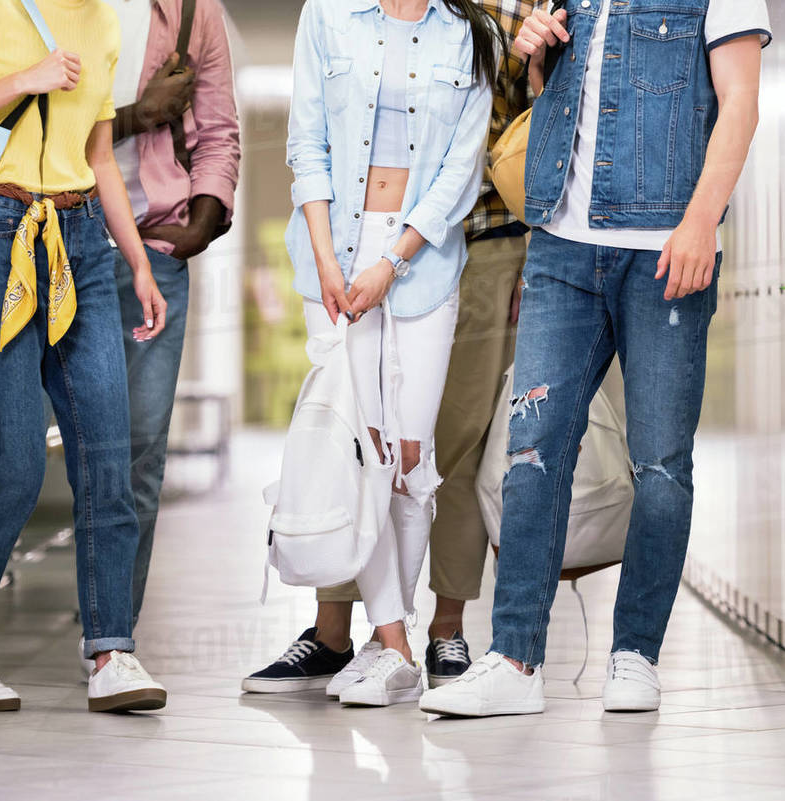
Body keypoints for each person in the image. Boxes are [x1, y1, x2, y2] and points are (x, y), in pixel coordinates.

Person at [420, 0, 771, 717]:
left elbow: (740, 100)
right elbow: (564, 94)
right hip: (560, 247)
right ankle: (514, 656)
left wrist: (702, 220)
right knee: (532, 449)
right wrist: (537, 48)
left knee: (662, 463)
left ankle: (635, 652)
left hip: (665, 249)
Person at [243, 0, 533, 697]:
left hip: (429, 254)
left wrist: (391, 262)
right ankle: (393, 640)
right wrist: (326, 262)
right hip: (333, 253)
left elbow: (464, 168)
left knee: (411, 456)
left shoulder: (471, 31)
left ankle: (398, 642)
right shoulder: (330, 16)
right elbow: (306, 142)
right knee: (361, 446)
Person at [0, 0, 170, 713]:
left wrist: (138, 262)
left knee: (110, 451)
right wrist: (27, 78)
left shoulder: (105, 23)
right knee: (16, 461)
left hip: (82, 243)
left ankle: (111, 649)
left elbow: (96, 156)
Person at [78, 0, 240, 672]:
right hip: (56, 244)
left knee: (138, 455)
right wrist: (134, 116)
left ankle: (110, 644)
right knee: (18, 445)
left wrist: (206, 217)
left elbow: (220, 130)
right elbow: (19, 123)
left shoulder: (195, 9)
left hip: (154, 251)